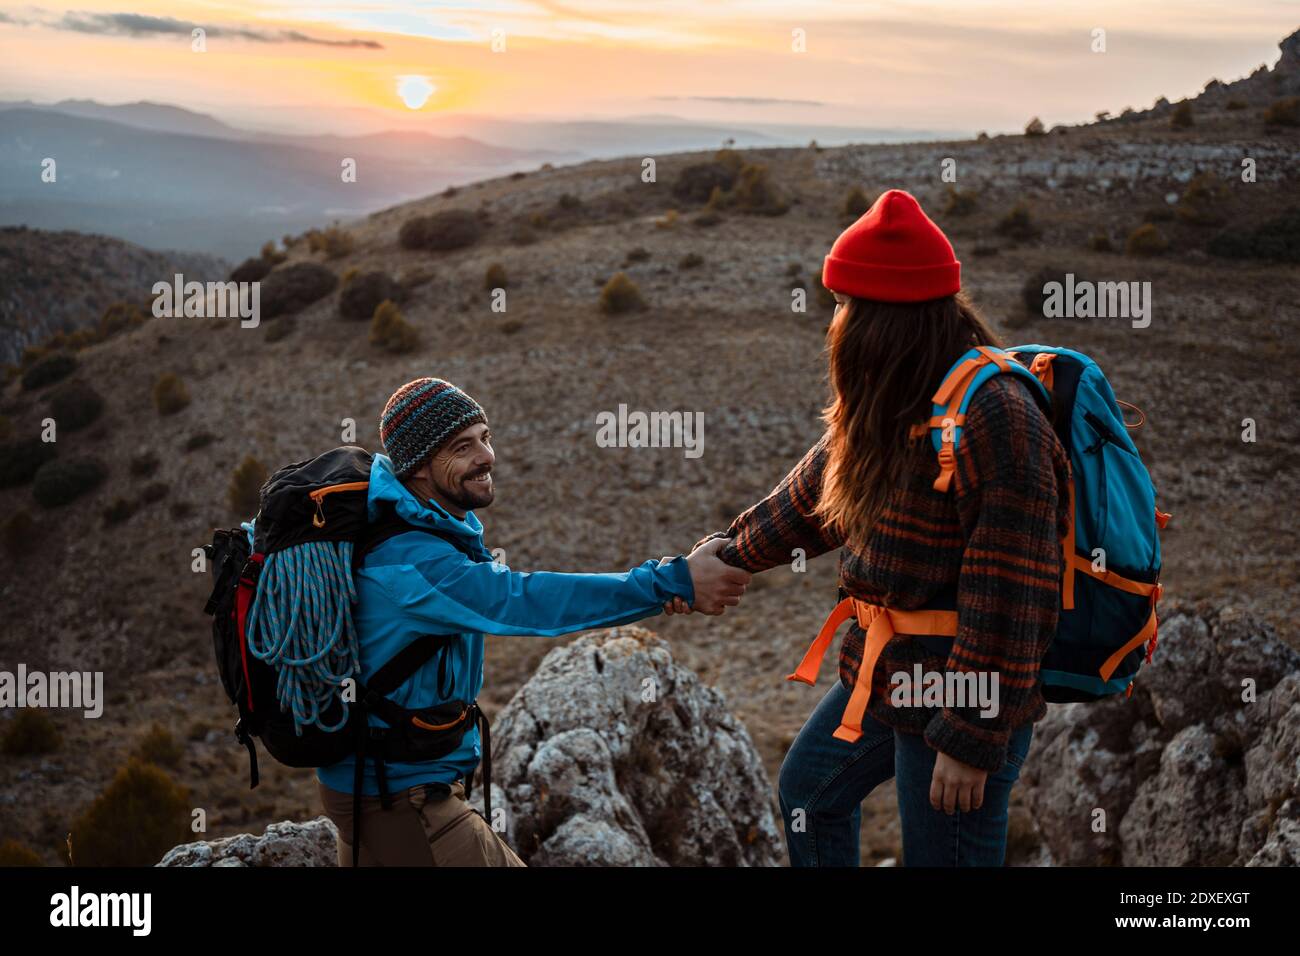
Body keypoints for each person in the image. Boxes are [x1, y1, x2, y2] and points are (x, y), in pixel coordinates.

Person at [665, 189, 1071, 866]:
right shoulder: (893, 396)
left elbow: (1014, 592)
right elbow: (813, 500)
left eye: (845, 305)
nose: (836, 321)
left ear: (884, 319)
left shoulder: (997, 416)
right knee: (808, 794)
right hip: (886, 676)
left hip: (961, 694)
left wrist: (970, 738)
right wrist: (729, 553)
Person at [318, 377, 750, 865]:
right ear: (418, 465)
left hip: (368, 783)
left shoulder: (409, 529)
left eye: (485, 436)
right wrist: (674, 581)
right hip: (399, 797)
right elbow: (526, 601)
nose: (486, 455)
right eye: (463, 446)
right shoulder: (413, 562)